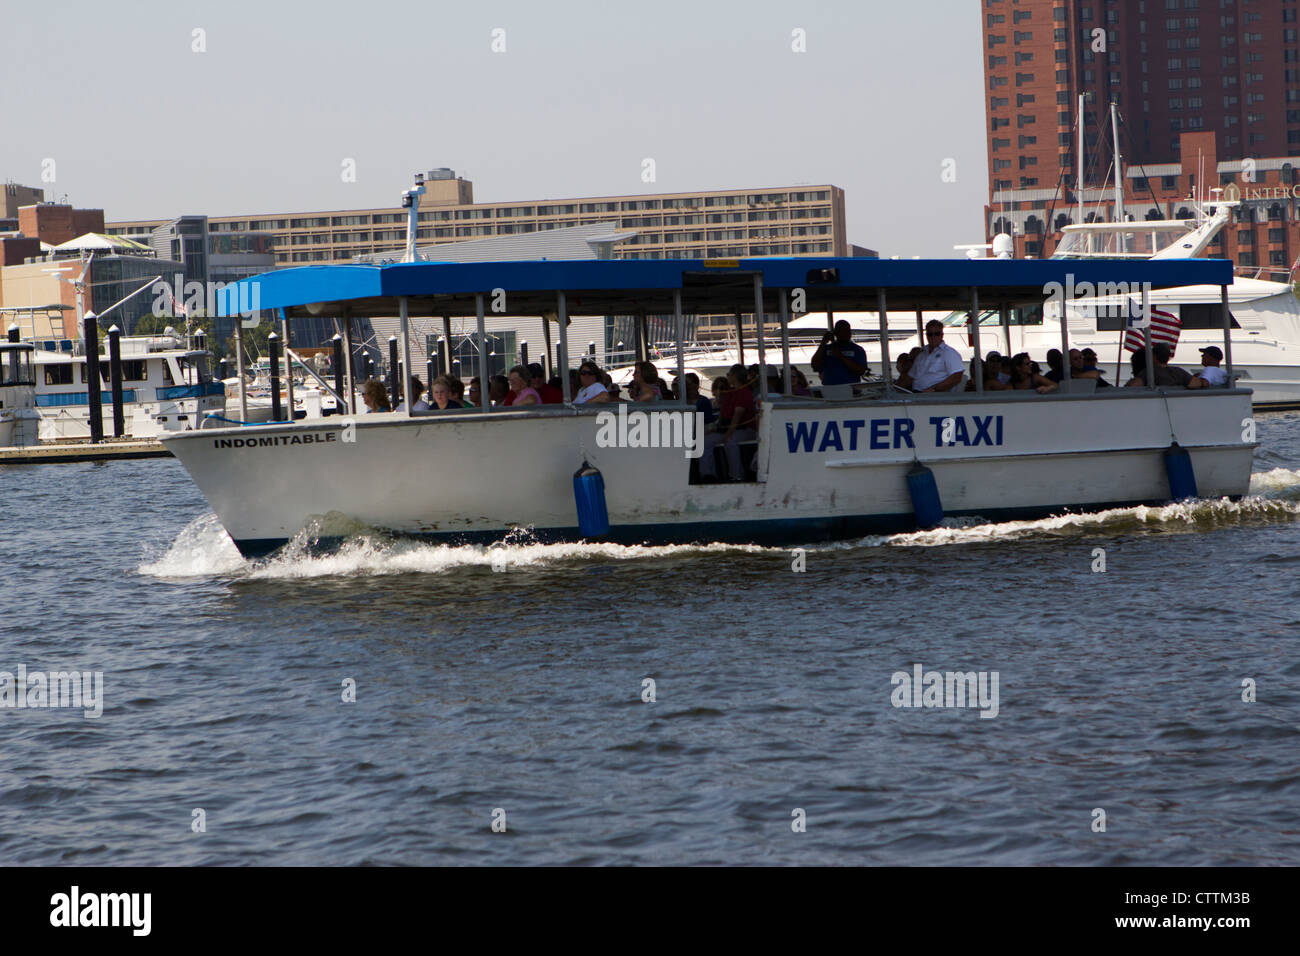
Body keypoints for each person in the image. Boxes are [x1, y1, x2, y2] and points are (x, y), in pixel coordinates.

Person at [699, 364, 756, 481]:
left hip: (746, 429)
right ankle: (708, 475)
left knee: (730, 440)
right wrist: (716, 428)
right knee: (704, 442)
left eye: (729, 375)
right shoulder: (731, 392)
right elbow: (723, 415)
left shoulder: (744, 392)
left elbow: (738, 415)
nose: (728, 377)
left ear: (734, 376)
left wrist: (728, 433)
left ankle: (736, 475)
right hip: (728, 428)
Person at [898, 320, 964, 392]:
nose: (933, 337)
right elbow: (910, 377)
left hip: (936, 397)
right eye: (930, 334)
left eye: (937, 334)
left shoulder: (949, 353)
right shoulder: (922, 354)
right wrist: (897, 389)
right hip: (917, 394)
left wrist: (934, 389)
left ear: (942, 335)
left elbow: (956, 377)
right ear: (926, 335)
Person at [811, 320, 870, 386]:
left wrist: (841, 356)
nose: (844, 334)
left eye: (847, 331)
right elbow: (815, 365)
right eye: (841, 331)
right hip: (830, 388)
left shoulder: (857, 350)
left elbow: (861, 371)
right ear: (835, 332)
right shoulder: (827, 349)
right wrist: (823, 342)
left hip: (850, 389)